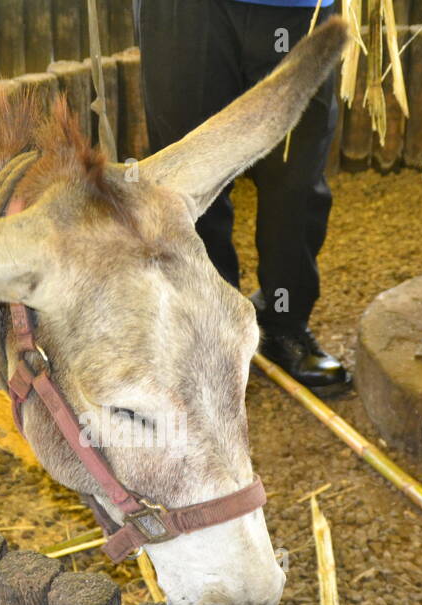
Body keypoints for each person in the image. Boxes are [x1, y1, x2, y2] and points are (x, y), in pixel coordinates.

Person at [135, 0, 351, 395]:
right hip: (184, 14)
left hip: (295, 8)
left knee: (295, 180)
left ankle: (284, 323)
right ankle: (210, 332)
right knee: (188, 177)